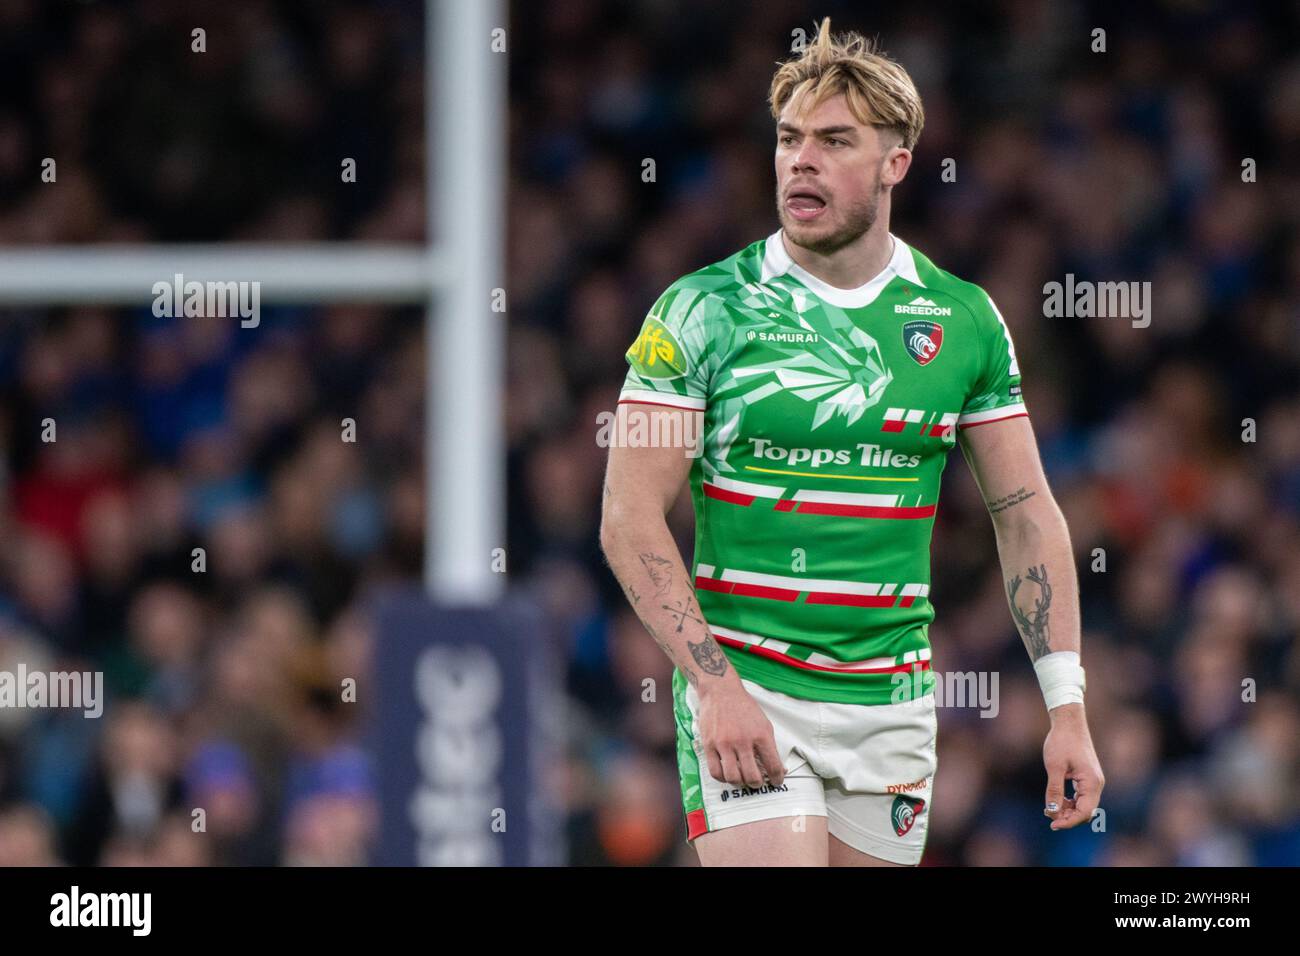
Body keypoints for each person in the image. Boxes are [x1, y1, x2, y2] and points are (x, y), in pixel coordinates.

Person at [599, 17, 1103, 866]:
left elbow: (1025, 516)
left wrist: (1067, 709)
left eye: (835, 140)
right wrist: (713, 686)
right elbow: (628, 518)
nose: (802, 158)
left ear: (895, 162)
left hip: (891, 704)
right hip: (750, 685)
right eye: (790, 138)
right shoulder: (698, 311)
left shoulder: (963, 321)